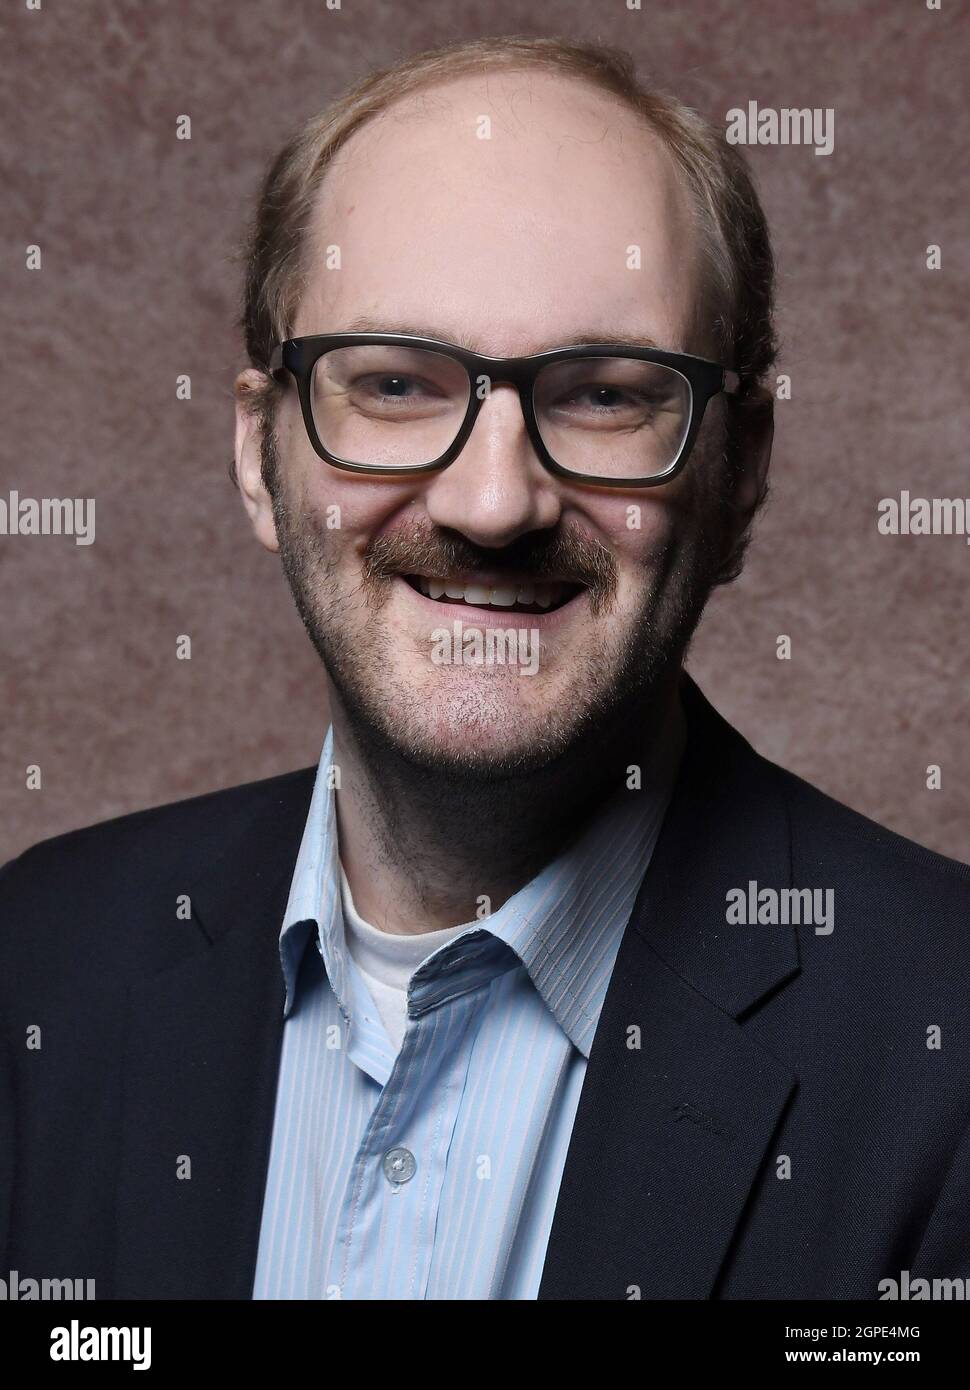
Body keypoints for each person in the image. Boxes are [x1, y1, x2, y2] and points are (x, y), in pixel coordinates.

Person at [2, 35, 968, 1302]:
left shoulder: (940, 1057)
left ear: (739, 473)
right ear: (258, 453)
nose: (493, 500)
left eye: (607, 396)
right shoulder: (39, 963)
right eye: (396, 382)